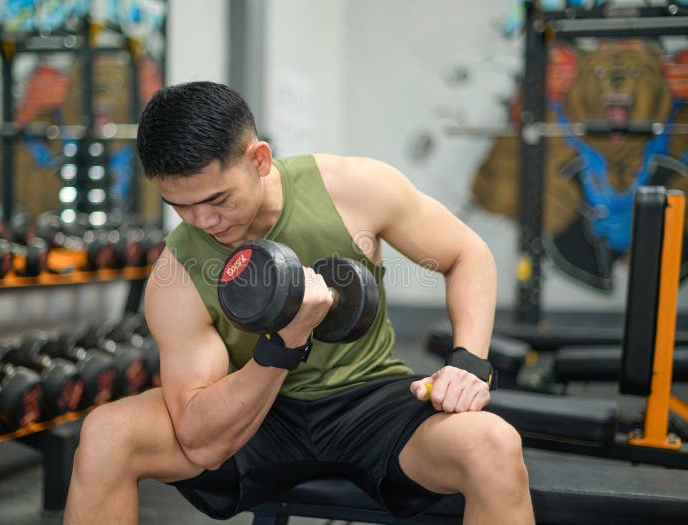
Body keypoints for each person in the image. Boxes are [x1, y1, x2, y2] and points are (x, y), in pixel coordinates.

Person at [63, 81, 534, 524]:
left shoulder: (353, 188)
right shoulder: (177, 275)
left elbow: (466, 255)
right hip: (254, 414)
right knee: (108, 433)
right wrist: (284, 343)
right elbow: (202, 443)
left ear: (259, 160)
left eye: (217, 199)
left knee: (492, 444)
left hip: (370, 402)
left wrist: (468, 363)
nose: (204, 221)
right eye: (181, 207)